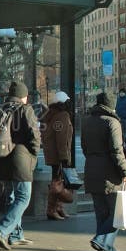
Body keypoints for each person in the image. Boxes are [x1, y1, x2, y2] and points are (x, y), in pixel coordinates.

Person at [81, 92, 126, 251]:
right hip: (109, 173)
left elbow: (84, 148)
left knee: (101, 214)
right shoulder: (112, 122)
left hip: (91, 170)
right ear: (112, 105)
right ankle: (101, 240)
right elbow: (117, 150)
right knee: (117, 213)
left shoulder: (87, 122)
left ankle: (105, 250)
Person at [0, 81, 40, 250]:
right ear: (23, 96)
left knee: (11, 197)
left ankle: (15, 234)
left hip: (4, 158)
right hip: (21, 159)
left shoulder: (0, 109)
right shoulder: (25, 109)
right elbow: (34, 134)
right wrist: (34, 152)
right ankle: (2, 229)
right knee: (23, 197)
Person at [42, 90, 73, 221]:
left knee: (57, 181)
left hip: (51, 153)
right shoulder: (63, 115)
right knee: (57, 182)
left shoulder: (50, 114)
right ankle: (52, 209)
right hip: (59, 154)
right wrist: (64, 157)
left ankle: (58, 208)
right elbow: (62, 138)